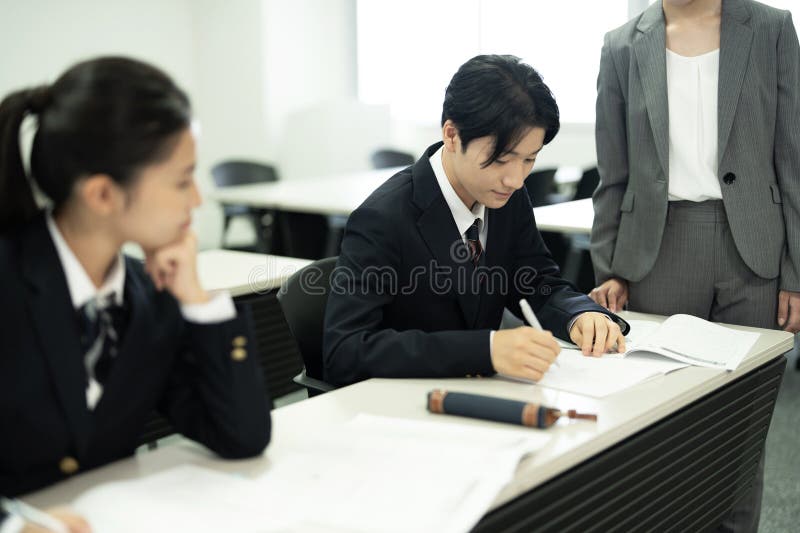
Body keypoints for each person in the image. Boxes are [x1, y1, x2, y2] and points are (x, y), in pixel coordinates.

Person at [0, 57, 271, 532]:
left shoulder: (149, 296)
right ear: (102, 195)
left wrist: (196, 299)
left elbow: (242, 435)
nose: (198, 200)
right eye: (182, 181)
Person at [590, 1, 799, 531]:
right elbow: (612, 173)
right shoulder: (621, 44)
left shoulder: (771, 29)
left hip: (753, 248)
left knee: (742, 431)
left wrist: (797, 272)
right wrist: (609, 267)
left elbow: (794, 158)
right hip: (656, 251)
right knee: (661, 426)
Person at [323, 54, 629, 388]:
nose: (515, 179)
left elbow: (536, 281)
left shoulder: (507, 199)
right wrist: (486, 350)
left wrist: (579, 314)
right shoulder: (382, 218)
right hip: (405, 405)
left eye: (529, 160)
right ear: (452, 135)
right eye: (501, 160)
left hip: (483, 397)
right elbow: (345, 352)